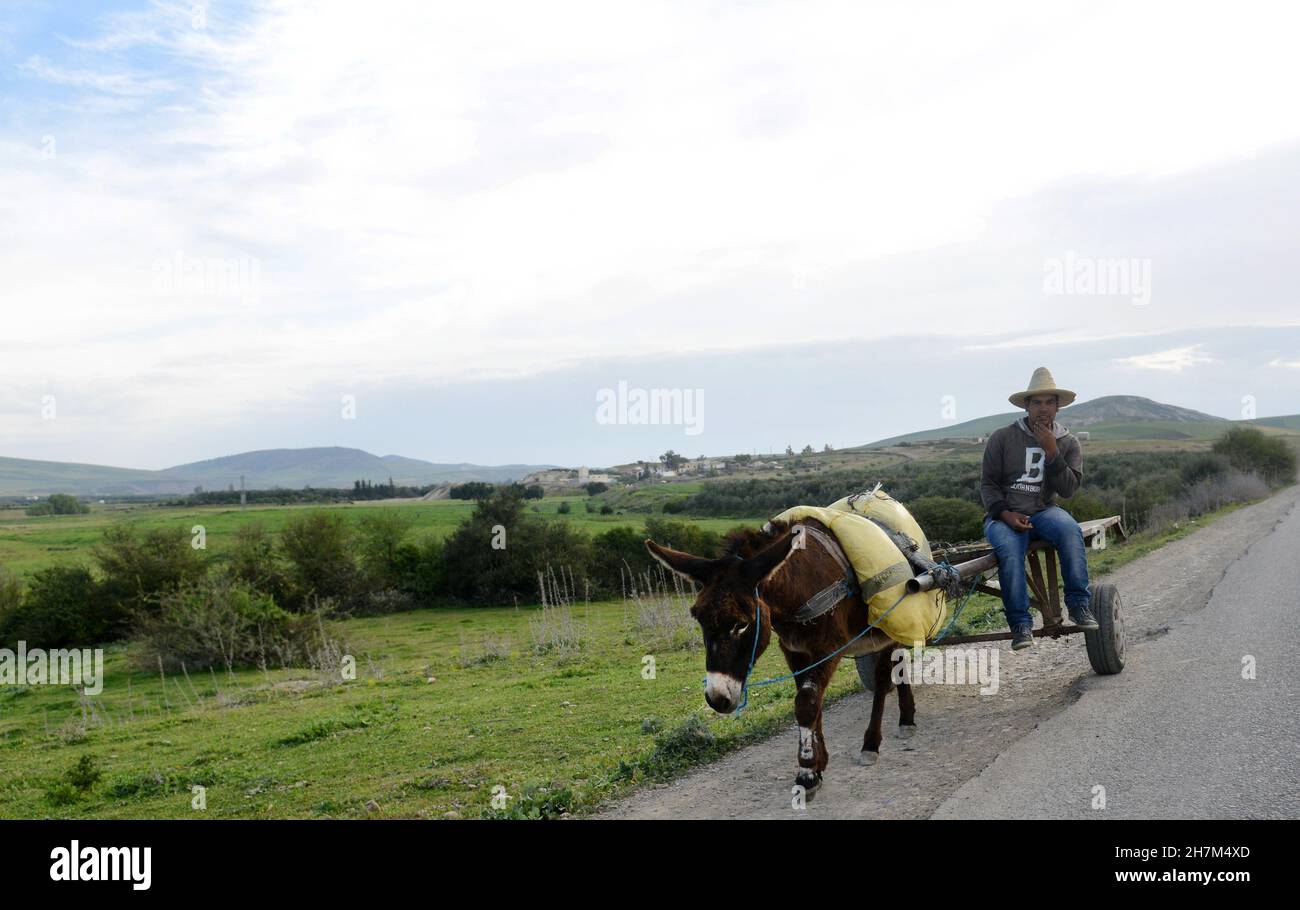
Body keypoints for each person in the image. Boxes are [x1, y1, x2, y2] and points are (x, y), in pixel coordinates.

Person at [979, 367, 1097, 650]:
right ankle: (1020, 624)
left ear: (1057, 407)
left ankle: (1079, 605)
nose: (1043, 409)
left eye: (1049, 402)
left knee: (1070, 530)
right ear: (1027, 406)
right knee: (1009, 551)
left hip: (1044, 511)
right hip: (1003, 516)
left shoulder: (1068, 442)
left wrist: (1051, 451)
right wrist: (1007, 515)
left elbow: (1068, 489)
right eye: (1036, 402)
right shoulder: (1003, 437)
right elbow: (988, 485)